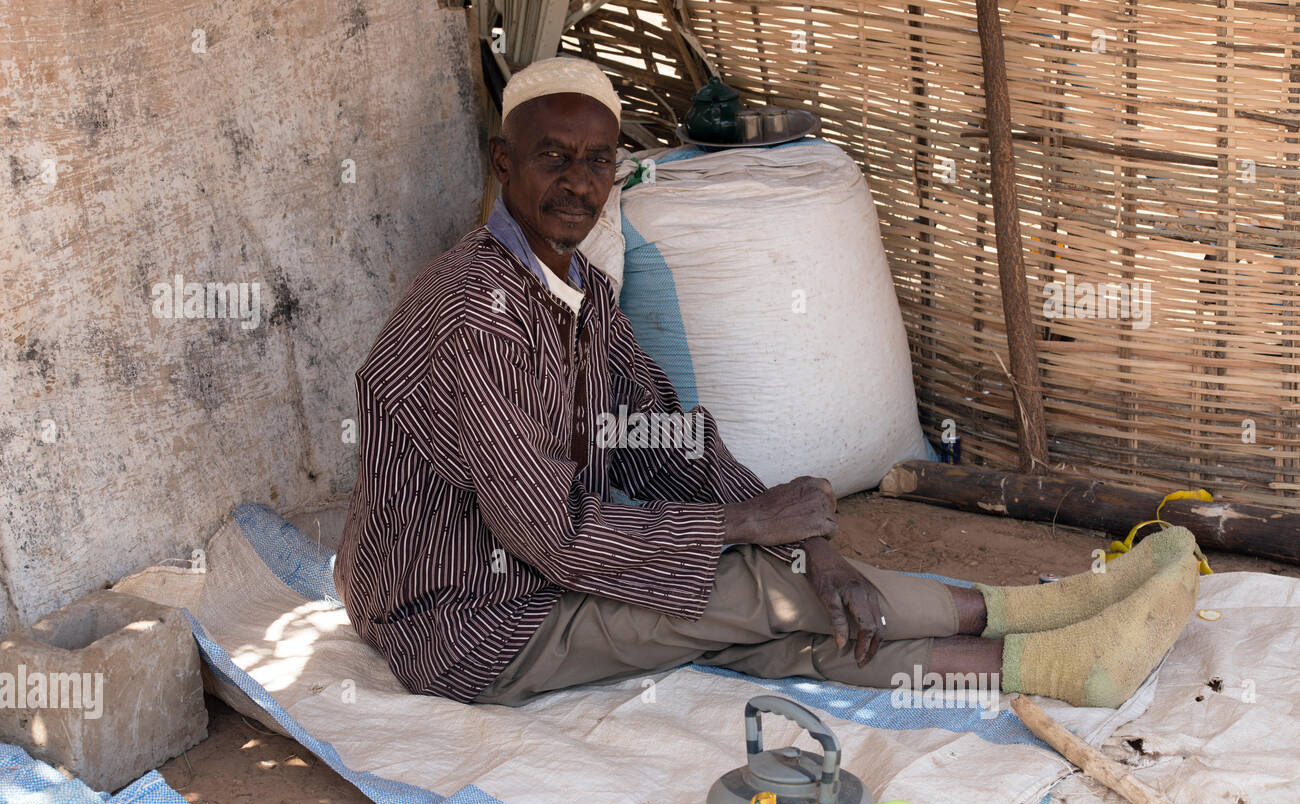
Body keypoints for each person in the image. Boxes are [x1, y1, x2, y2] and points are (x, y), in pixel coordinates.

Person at [333, 57, 1199, 711]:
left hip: (543, 577)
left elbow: (670, 439)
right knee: (762, 592)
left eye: (598, 160)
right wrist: (758, 531)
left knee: (797, 614)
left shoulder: (582, 291)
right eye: (553, 156)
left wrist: (810, 541)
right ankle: (1049, 605)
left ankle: (1060, 663)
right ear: (503, 162)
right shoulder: (471, 313)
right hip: (468, 618)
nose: (579, 182)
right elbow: (554, 537)